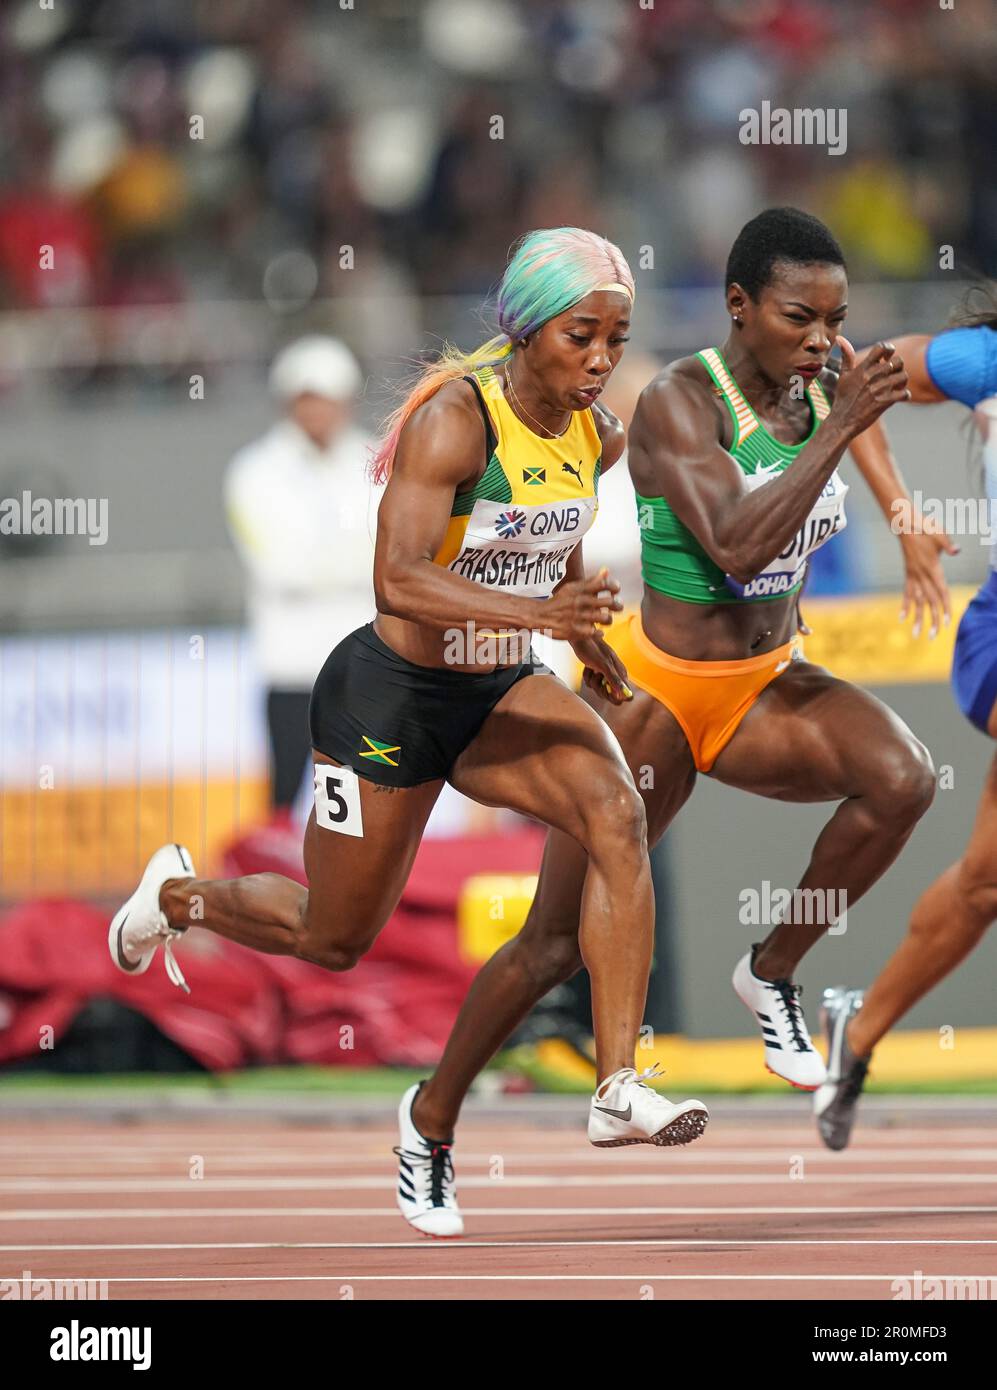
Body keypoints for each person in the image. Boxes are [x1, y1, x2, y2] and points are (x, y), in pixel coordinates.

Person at [108, 226, 710, 1239]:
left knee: (617, 807)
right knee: (334, 937)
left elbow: (547, 541)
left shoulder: (595, 435)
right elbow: (396, 581)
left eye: (617, 337)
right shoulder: (453, 422)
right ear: (525, 331)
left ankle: (615, 1084)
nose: (601, 360)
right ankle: (178, 893)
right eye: (581, 336)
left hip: (496, 693)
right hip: (388, 697)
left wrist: (583, 639)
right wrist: (544, 620)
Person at [407, 209, 940, 1235]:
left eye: (835, 320)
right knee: (550, 946)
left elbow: (857, 420)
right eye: (798, 318)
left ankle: (770, 970)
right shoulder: (673, 401)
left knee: (905, 777)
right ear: (739, 306)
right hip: (652, 698)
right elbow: (739, 544)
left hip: (760, 688)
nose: (822, 342)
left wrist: (910, 522)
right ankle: (430, 1118)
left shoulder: (820, 383)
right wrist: (839, 426)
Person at [815, 292, 997, 1149]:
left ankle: (855, 1033)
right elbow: (849, 378)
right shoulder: (983, 364)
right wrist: (900, 512)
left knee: (984, 883)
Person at [224, 335, 378, 818]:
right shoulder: (254, 470)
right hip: (291, 661)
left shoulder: (373, 461)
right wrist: (353, 563)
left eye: (329, 399)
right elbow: (278, 568)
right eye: (309, 399)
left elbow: (390, 556)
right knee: (287, 784)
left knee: (364, 787)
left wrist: (330, 562)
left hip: (360, 657)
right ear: (289, 402)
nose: (320, 412)